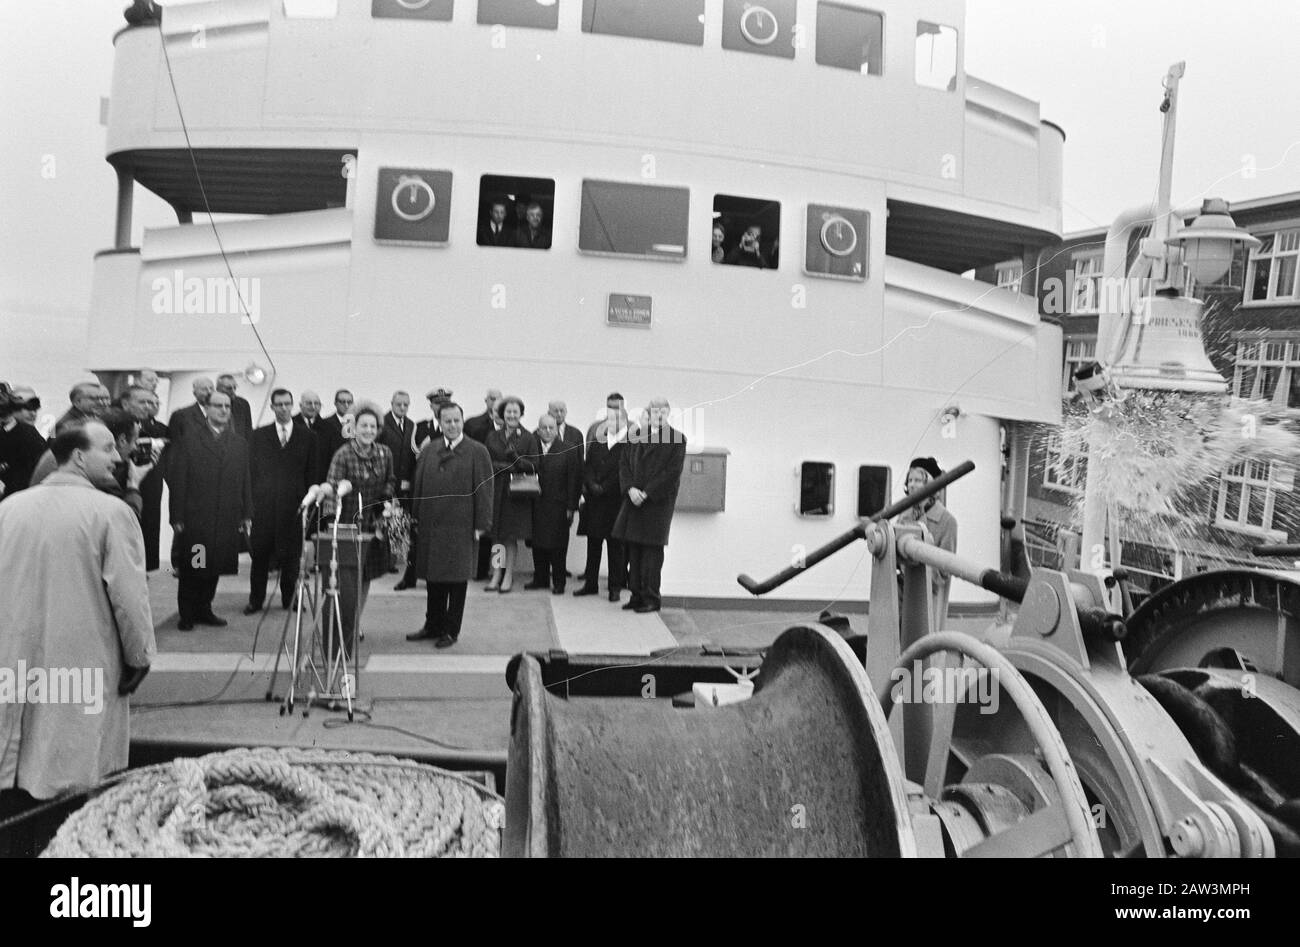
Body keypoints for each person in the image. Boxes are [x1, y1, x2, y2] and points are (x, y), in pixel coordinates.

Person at [0, 421, 155, 855]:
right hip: (78, 674)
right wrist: (139, 658)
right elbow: (129, 600)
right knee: (64, 788)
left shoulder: (9, 507)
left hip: (11, 671)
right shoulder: (112, 513)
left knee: (14, 784)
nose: (119, 457)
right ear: (79, 456)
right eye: (108, 448)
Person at [407, 401, 493, 648]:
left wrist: (482, 524)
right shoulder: (429, 449)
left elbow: (486, 491)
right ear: (440, 423)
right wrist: (416, 518)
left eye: (456, 420)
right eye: (447, 421)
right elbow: (419, 487)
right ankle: (432, 625)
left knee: (456, 581)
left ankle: (451, 630)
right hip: (432, 527)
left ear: (462, 421)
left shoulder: (478, 451)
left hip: (461, 526)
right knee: (433, 578)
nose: (452, 425)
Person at [167, 390, 252, 631]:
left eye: (227, 406)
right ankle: (187, 613)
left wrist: (247, 513)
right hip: (196, 519)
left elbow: (245, 480)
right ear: (208, 408)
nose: (223, 410)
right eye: (218, 406)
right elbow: (178, 479)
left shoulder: (239, 444)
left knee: (213, 566)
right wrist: (177, 517)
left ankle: (205, 609)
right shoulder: (190, 440)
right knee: (195, 566)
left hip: (225, 517)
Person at [320, 405, 395, 654]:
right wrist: (333, 524)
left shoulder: (385, 453)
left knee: (364, 577)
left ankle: (355, 622)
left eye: (373, 426)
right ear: (354, 428)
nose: (368, 430)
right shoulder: (343, 454)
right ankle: (342, 625)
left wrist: (386, 502)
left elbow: (390, 481)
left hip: (371, 526)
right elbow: (331, 487)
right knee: (346, 580)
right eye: (364, 425)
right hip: (345, 525)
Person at [245, 389, 316, 614]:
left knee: (292, 559)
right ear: (272, 407)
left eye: (287, 404)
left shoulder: (308, 437)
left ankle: (290, 598)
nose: (284, 408)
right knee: (260, 558)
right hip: (264, 508)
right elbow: (251, 472)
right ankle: (256, 600)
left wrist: (309, 503)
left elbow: (312, 473)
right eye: (279, 404)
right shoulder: (258, 436)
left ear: (292, 405)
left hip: (294, 508)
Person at [613, 397, 686, 613]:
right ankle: (636, 596)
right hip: (633, 501)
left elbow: (671, 474)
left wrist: (646, 493)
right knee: (633, 552)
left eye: (663, 411)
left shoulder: (677, 439)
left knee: (651, 555)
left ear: (668, 413)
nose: (659, 414)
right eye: (655, 411)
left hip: (656, 505)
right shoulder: (635, 436)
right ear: (649, 413)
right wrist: (630, 489)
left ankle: (651, 598)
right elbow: (624, 465)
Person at [30, 408, 153, 522]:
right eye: (109, 448)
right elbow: (126, 521)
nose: (116, 457)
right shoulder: (97, 472)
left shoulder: (62, 452)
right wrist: (133, 485)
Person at [574, 402, 629, 601]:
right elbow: (587, 466)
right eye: (609, 418)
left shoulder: (630, 445)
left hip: (615, 503)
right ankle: (590, 584)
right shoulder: (598, 442)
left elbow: (624, 472)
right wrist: (591, 484)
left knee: (615, 548)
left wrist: (605, 487)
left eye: (616, 418)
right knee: (593, 545)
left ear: (624, 421)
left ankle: (615, 587)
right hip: (595, 502)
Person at [483, 395, 538, 592]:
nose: (512, 415)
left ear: (521, 414)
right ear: (502, 414)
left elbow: (533, 465)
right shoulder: (492, 436)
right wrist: (510, 465)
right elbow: (487, 462)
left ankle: (508, 576)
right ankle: (496, 573)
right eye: (508, 412)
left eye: (515, 411)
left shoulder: (528, 437)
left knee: (510, 536)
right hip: (496, 490)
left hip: (516, 493)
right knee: (497, 535)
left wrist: (514, 459)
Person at [898, 457, 958, 630]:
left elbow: (945, 570)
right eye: (910, 480)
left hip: (928, 599)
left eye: (918, 480)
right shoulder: (904, 516)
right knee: (901, 643)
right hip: (902, 596)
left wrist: (915, 570)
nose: (912, 485)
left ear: (932, 486)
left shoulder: (947, 522)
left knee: (922, 648)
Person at [527, 414, 582, 594]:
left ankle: (559, 582)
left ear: (557, 429)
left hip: (559, 507)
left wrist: (571, 507)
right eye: (544, 427)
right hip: (536, 505)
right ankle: (540, 579)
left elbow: (574, 481)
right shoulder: (531, 447)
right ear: (538, 429)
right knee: (537, 545)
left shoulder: (568, 449)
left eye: (551, 427)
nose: (548, 431)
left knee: (558, 547)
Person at [125, 385, 170, 570]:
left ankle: (145, 568)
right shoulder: (119, 424)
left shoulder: (154, 427)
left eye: (151, 402)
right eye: (142, 402)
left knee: (148, 530)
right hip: (127, 487)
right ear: (126, 403)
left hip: (151, 486)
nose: (148, 406)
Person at [463, 388, 502, 580]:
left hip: (504, 489)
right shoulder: (474, 425)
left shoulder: (517, 431)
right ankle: (479, 570)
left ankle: (498, 570)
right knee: (482, 530)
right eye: (492, 400)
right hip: (480, 483)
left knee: (501, 535)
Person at [380, 391, 417, 584]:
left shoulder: (411, 425)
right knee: (384, 519)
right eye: (399, 404)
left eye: (406, 405)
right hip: (386, 480)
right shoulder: (383, 423)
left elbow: (411, 453)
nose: (402, 408)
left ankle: (394, 559)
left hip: (404, 481)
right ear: (392, 403)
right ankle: (384, 559)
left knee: (399, 520)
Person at [0, 383, 48, 502]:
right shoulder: (23, 433)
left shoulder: (28, 434)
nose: (33, 413)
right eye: (25, 408)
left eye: (35, 407)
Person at [167, 376, 216, 444]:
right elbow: (174, 444)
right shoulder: (181, 415)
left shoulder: (224, 414)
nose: (209, 392)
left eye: (211, 388)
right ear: (195, 393)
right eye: (204, 389)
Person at [317, 388, 354, 476]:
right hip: (333, 471)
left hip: (352, 473)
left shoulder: (355, 424)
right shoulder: (325, 423)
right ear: (335, 403)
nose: (346, 405)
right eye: (342, 402)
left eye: (349, 402)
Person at [216, 373, 254, 440]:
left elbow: (248, 430)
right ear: (218, 388)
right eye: (229, 388)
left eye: (235, 387)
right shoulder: (209, 404)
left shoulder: (243, 404)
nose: (233, 391)